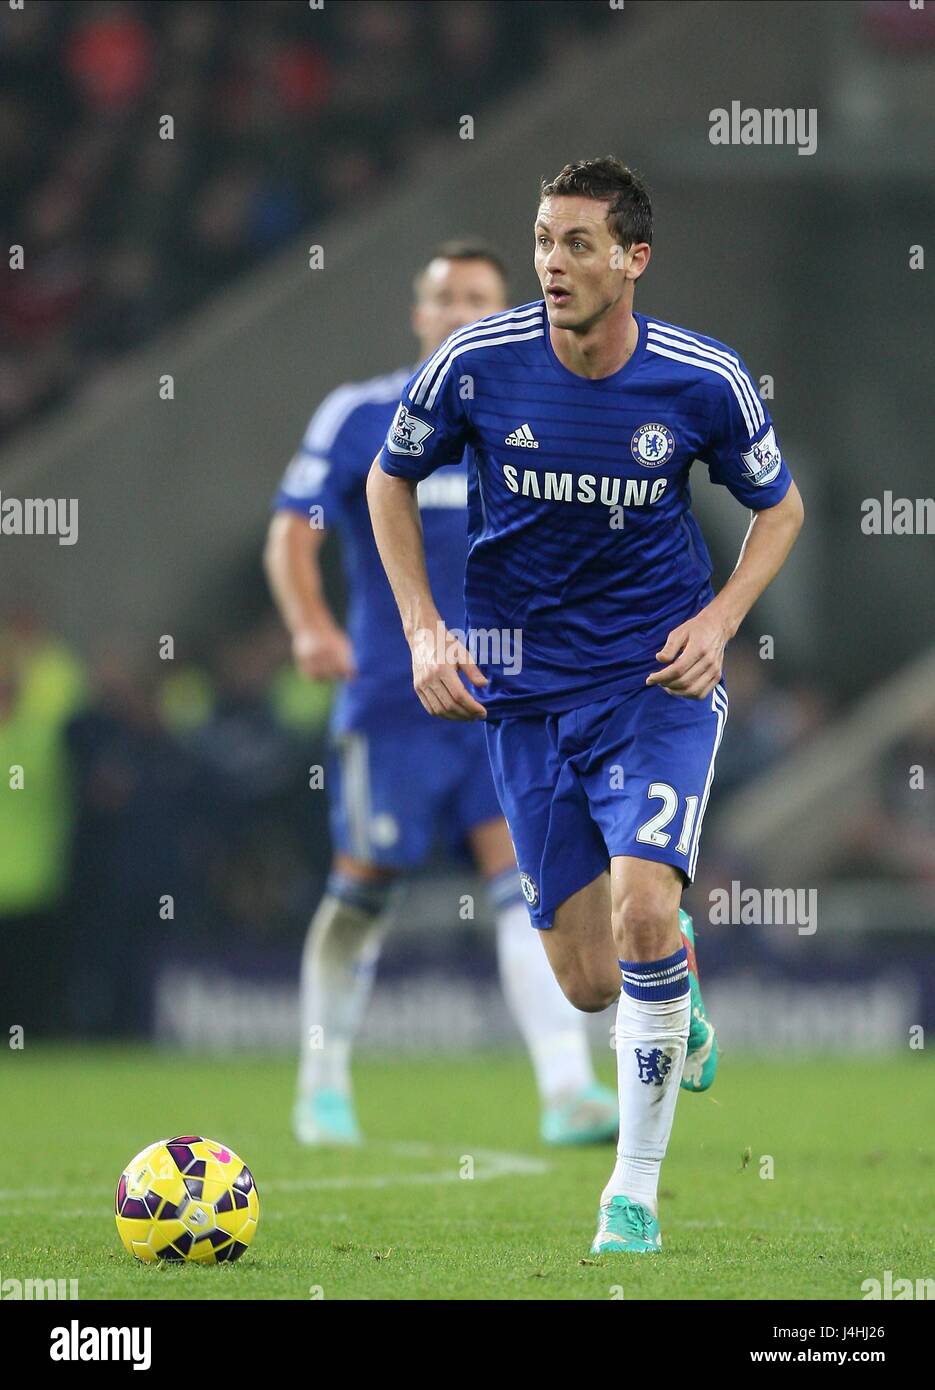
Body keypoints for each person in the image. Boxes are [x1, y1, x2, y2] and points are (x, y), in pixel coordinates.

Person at [367, 159, 804, 1254]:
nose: (551, 265)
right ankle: (675, 983)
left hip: (654, 681)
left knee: (643, 911)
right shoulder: (477, 362)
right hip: (522, 695)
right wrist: (425, 628)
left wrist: (717, 624)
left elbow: (779, 508)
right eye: (542, 241)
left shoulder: (702, 381)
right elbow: (388, 481)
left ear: (631, 259)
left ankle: (632, 1194)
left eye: (575, 244)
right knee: (587, 982)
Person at [265, 241, 622, 1147]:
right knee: (365, 886)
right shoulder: (359, 416)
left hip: (510, 703)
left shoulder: (536, 414)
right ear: (419, 315)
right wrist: (310, 625)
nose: (461, 311)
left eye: (479, 298)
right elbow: (292, 534)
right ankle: (322, 1086)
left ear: (508, 315)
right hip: (393, 700)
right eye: (445, 297)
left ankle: (566, 1089)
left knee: (529, 884)